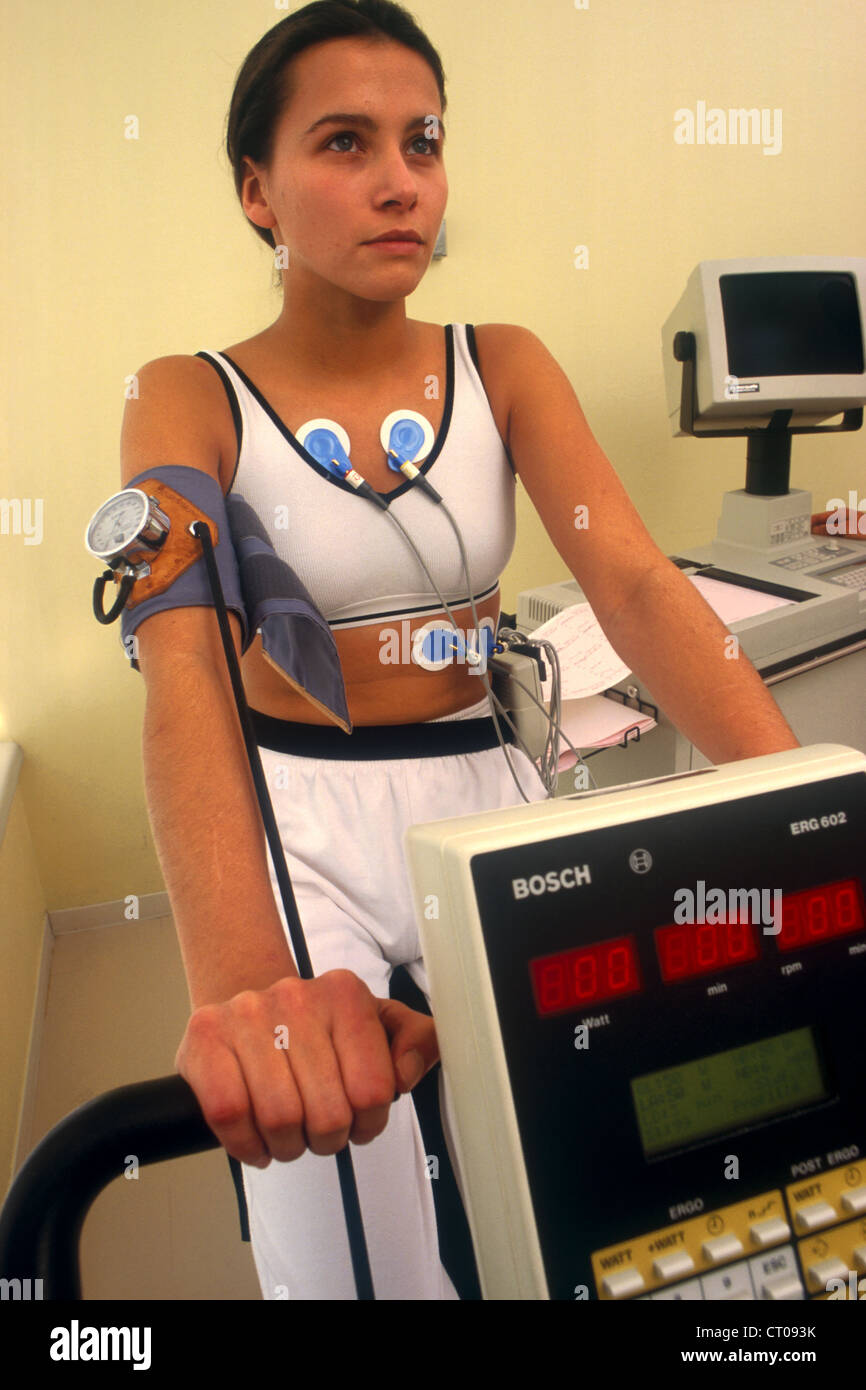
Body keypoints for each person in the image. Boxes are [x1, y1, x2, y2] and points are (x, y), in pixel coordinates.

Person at [118, 0, 800, 1300]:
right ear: (256, 190)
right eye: (343, 142)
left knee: (568, 1155)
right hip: (296, 809)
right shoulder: (185, 391)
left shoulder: (502, 364)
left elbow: (641, 586)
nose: (398, 181)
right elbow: (184, 667)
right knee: (342, 1232)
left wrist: (810, 805)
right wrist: (252, 992)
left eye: (421, 141)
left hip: (483, 787)